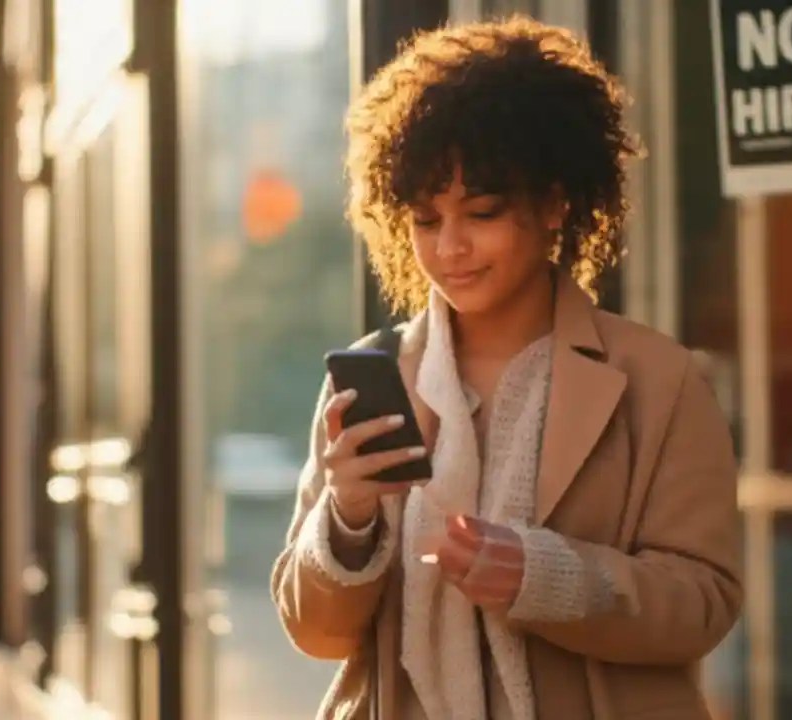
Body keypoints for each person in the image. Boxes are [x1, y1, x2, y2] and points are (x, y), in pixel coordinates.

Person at [272, 17, 741, 720]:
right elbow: (316, 631)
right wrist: (348, 517)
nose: (451, 247)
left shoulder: (658, 377)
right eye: (426, 220)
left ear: (554, 204)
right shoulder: (375, 372)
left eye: (482, 212)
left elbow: (705, 603)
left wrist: (551, 577)